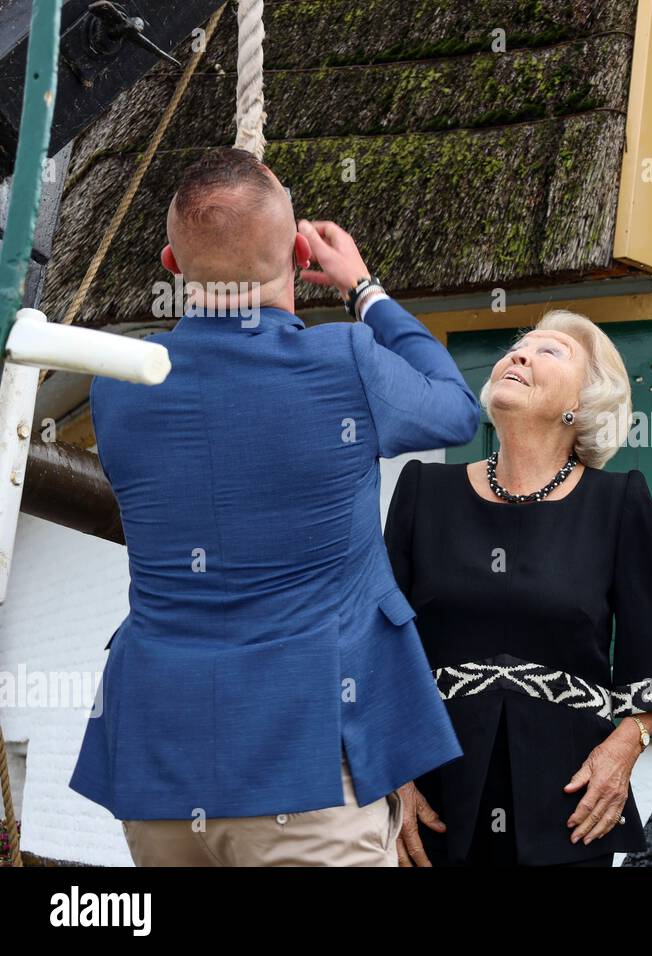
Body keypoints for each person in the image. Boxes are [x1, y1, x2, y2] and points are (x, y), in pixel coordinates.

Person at [69, 147, 481, 866]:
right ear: (299, 252)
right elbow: (456, 409)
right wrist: (364, 289)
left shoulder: (118, 387)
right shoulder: (345, 361)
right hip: (306, 772)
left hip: (161, 771)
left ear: (171, 264)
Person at [383, 309, 652, 867]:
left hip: (570, 810)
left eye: (550, 351)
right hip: (433, 805)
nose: (520, 354)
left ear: (583, 403)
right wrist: (394, 775)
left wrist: (624, 750)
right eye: (518, 347)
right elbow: (377, 645)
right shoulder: (423, 489)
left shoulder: (618, 503)